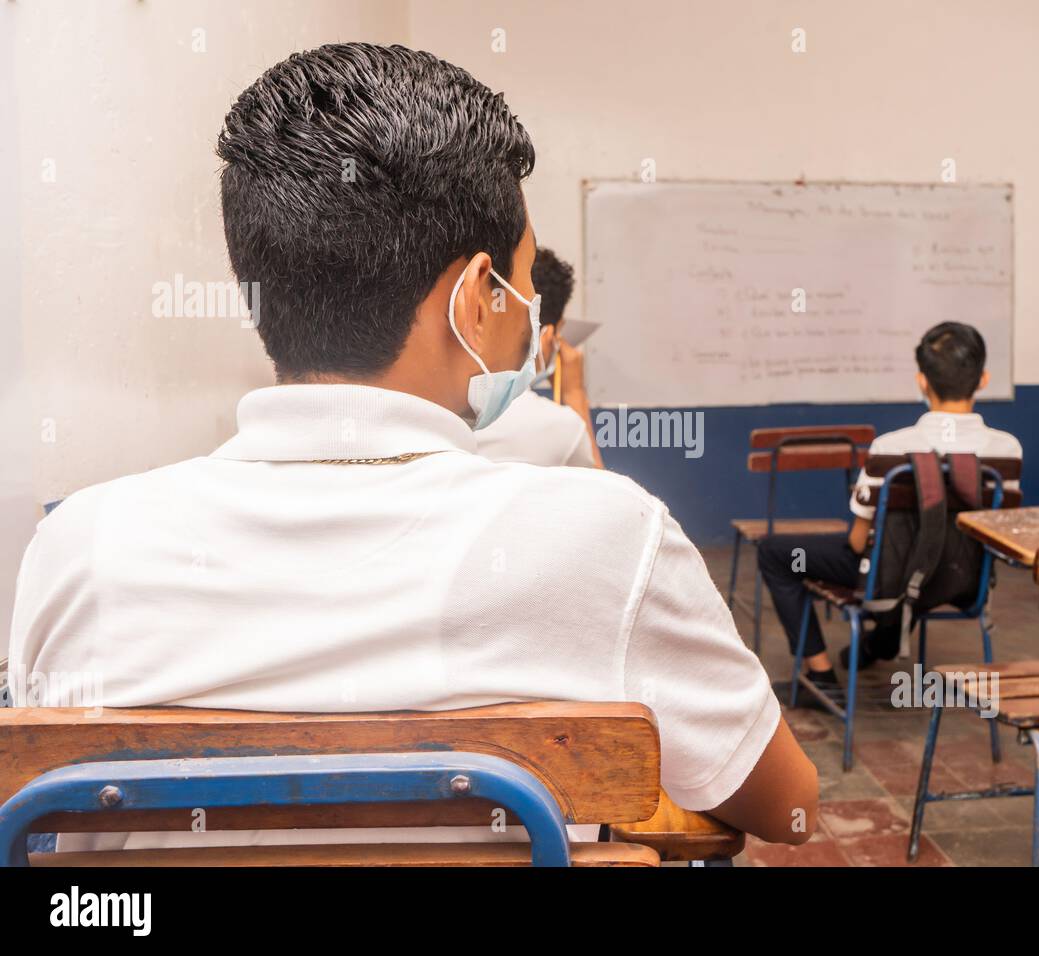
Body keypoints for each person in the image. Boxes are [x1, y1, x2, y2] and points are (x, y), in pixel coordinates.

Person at [8, 43, 816, 850]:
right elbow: (787, 808)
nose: (532, 310)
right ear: (474, 300)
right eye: (525, 284)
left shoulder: (80, 549)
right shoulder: (609, 539)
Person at [759, 322, 1022, 705]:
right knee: (913, 561)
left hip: (894, 577)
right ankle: (873, 646)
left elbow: (856, 539)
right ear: (982, 379)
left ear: (921, 381)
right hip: (966, 579)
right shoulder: (1008, 450)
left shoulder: (892, 448)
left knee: (775, 553)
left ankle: (821, 675)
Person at [475, 248, 603, 467]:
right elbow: (605, 494)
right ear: (548, 337)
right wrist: (575, 394)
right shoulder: (561, 427)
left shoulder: (456, 411)